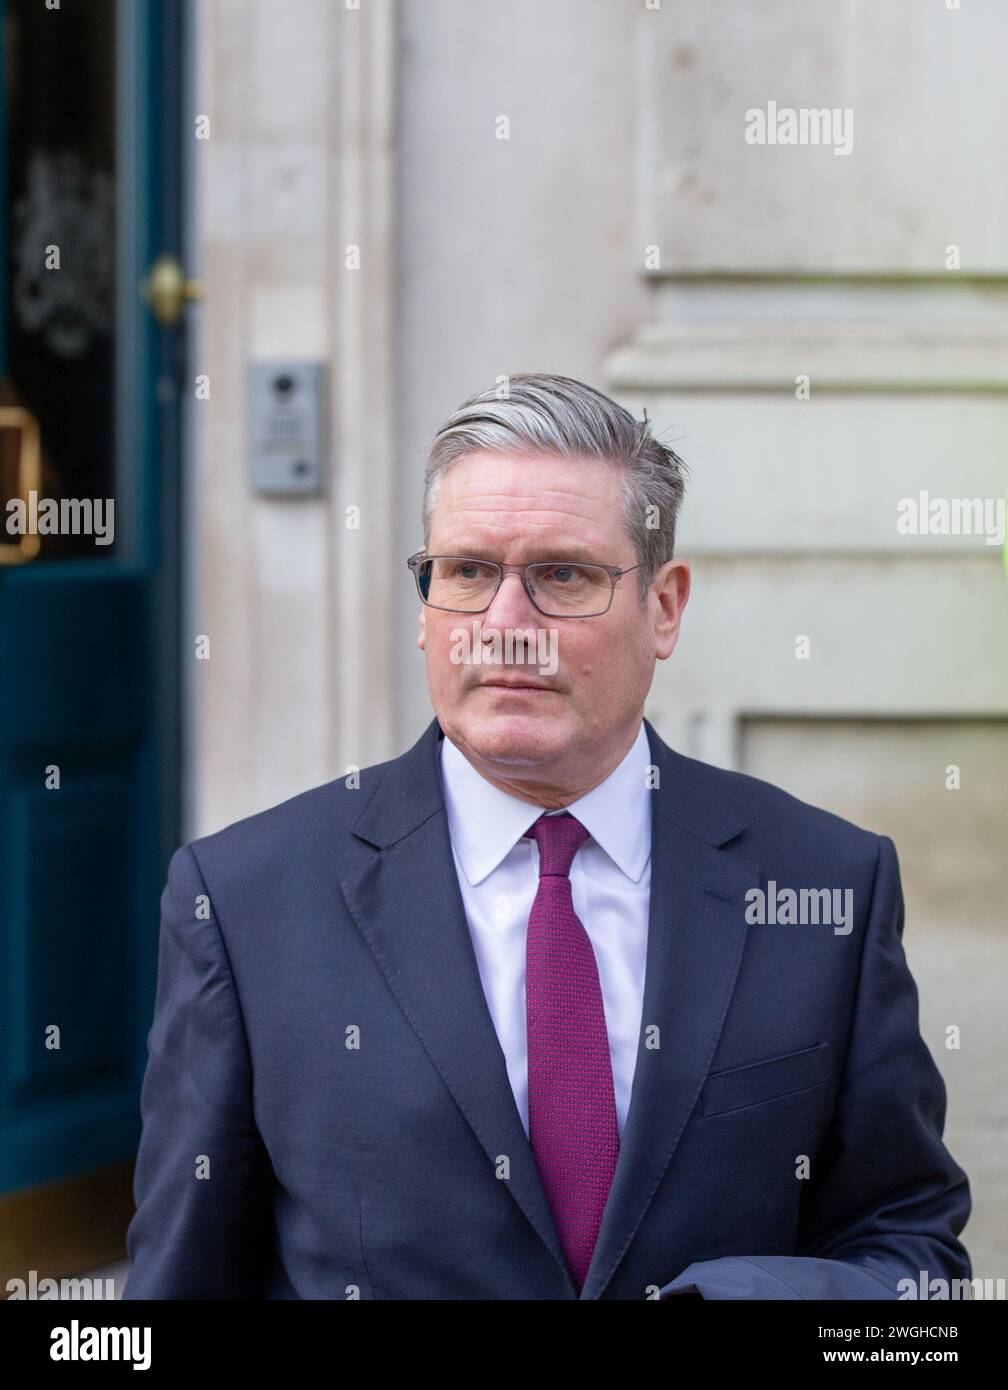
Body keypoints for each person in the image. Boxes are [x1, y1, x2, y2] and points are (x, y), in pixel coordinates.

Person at [122, 373, 970, 1300]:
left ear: (665, 608)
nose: (507, 628)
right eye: (469, 573)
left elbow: (907, 1254)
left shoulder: (827, 884)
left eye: (564, 575)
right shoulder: (245, 903)